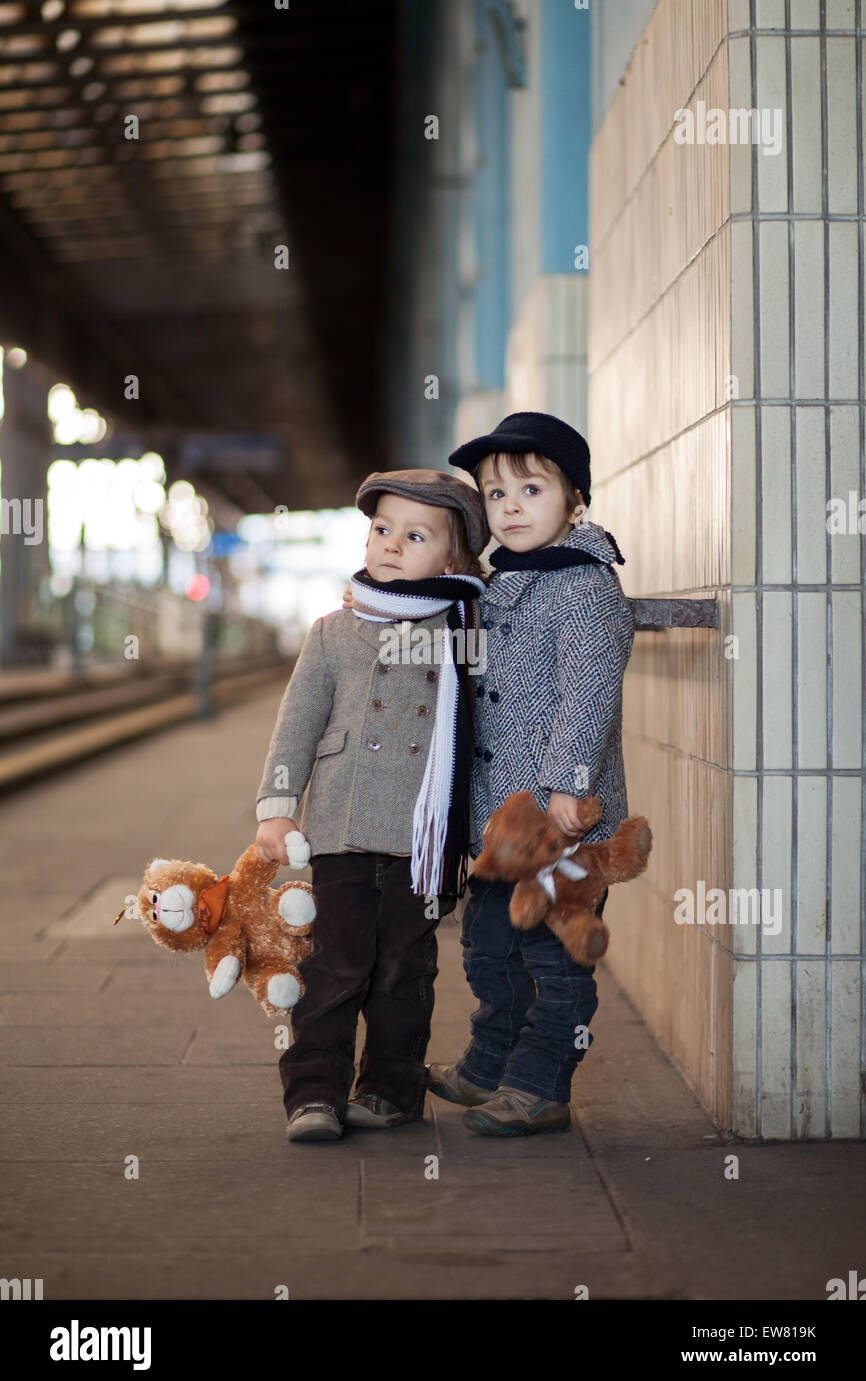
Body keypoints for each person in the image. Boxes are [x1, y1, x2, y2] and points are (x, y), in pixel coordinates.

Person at [255, 470, 488, 1142]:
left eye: (414, 535)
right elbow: (296, 723)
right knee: (334, 965)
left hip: (424, 830)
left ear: (451, 560)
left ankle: (389, 1088)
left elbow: (488, 725)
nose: (390, 544)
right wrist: (277, 805)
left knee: (404, 970)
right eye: (382, 529)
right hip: (343, 825)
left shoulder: (465, 629)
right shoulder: (334, 630)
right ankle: (314, 1094)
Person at [427, 411, 634, 1137]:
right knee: (487, 949)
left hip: (559, 826)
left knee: (553, 961)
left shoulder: (583, 586)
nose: (510, 506)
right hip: (497, 827)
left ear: (574, 500)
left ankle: (542, 1085)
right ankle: (488, 1068)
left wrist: (569, 787)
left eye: (531, 488)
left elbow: (590, 692)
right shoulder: (499, 583)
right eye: (494, 494)